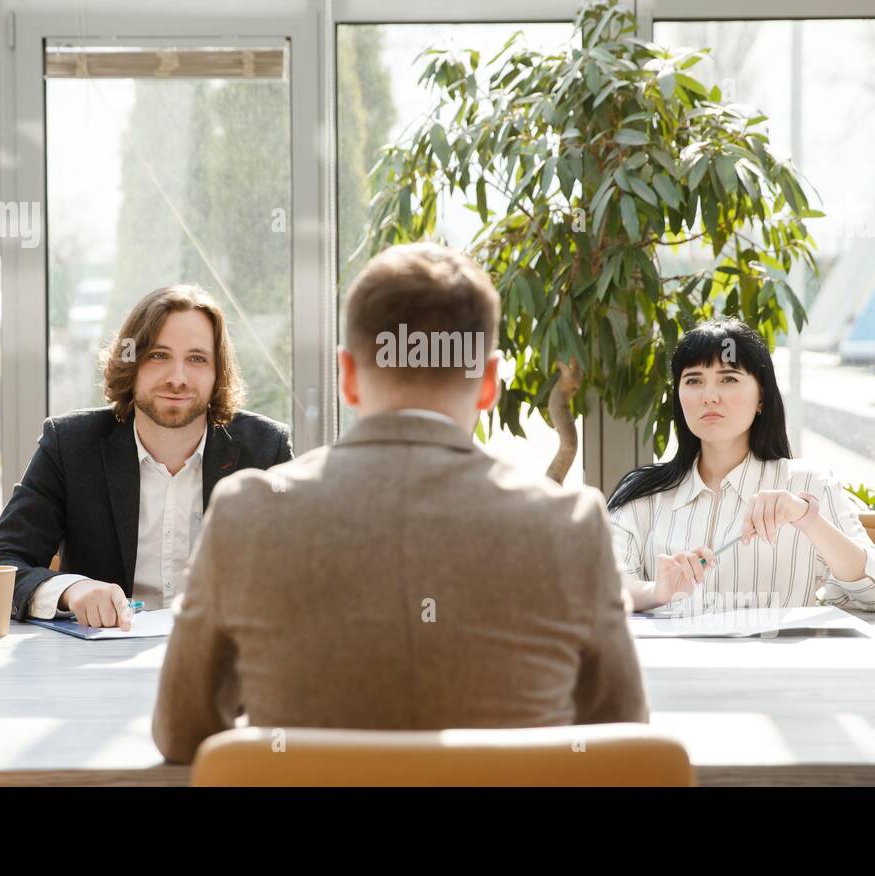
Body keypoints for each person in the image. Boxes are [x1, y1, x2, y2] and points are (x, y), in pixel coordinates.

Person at [152, 243, 646, 763]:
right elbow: (622, 742)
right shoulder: (569, 525)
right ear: (488, 384)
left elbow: (185, 732)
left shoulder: (247, 513)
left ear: (347, 376)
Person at [0, 285, 292, 627]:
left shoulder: (265, 449)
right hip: (100, 667)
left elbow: (307, 567)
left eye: (197, 359)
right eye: (159, 355)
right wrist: (74, 589)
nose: (177, 378)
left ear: (218, 373)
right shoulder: (70, 446)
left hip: (223, 663)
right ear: (132, 364)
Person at [608, 317, 875, 615]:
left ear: (761, 396)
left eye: (728, 379)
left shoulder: (806, 484)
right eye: (694, 380)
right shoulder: (644, 494)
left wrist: (807, 518)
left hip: (773, 661)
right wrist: (656, 592)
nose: (709, 396)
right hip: (668, 662)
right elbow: (600, 586)